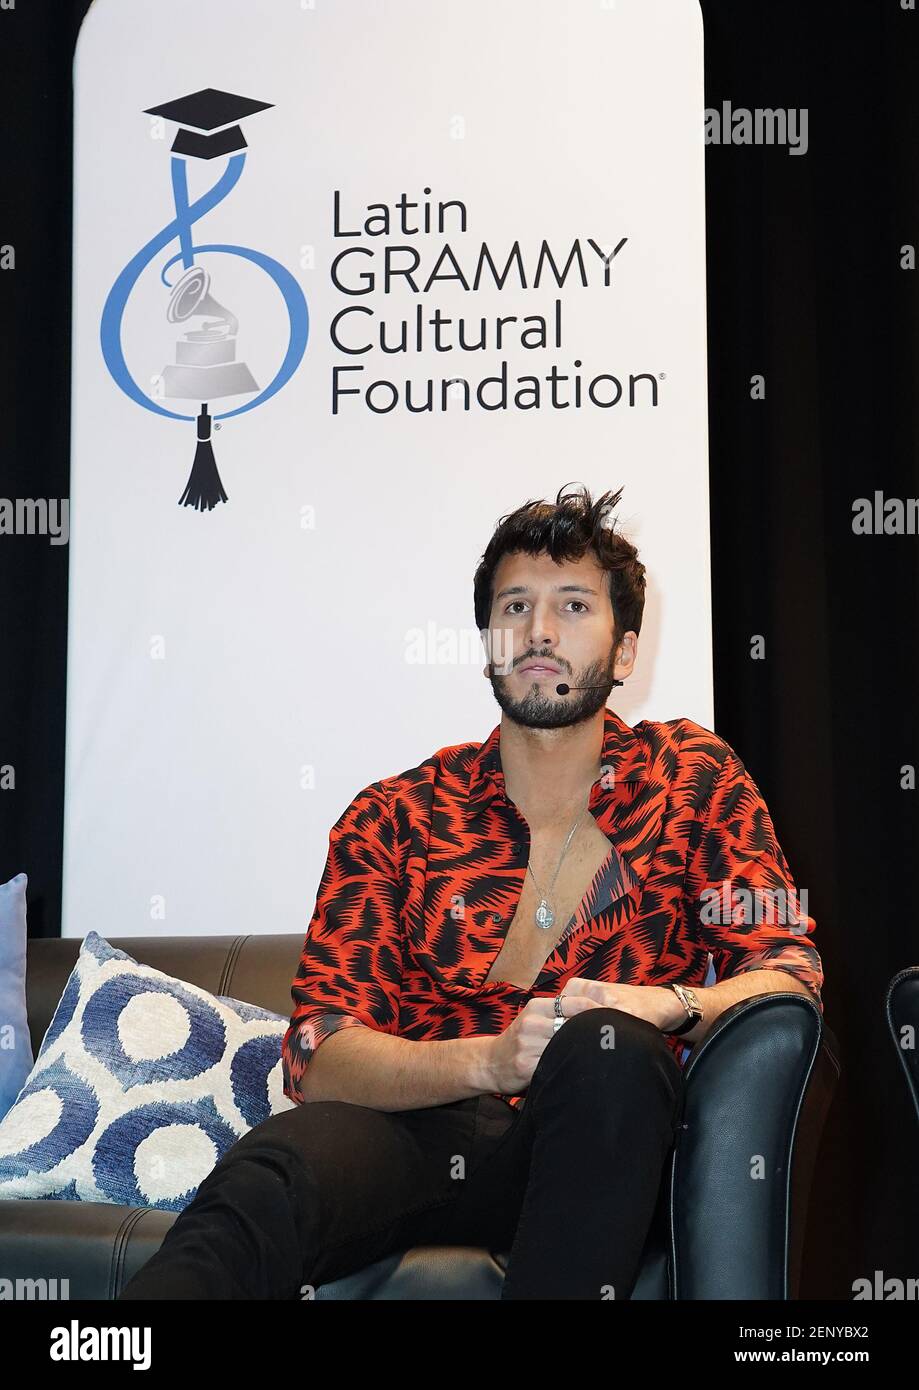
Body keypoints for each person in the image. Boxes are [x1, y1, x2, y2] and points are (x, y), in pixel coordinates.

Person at [118, 481, 823, 1301]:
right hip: (415, 1135)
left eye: (572, 606)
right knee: (274, 1168)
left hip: (599, 1133)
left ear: (624, 651)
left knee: (608, 1049)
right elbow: (319, 1052)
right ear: (488, 642)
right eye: (514, 607)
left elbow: (787, 970)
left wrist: (661, 1005)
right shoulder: (396, 812)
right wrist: (489, 1060)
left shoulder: (692, 779)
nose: (539, 631)